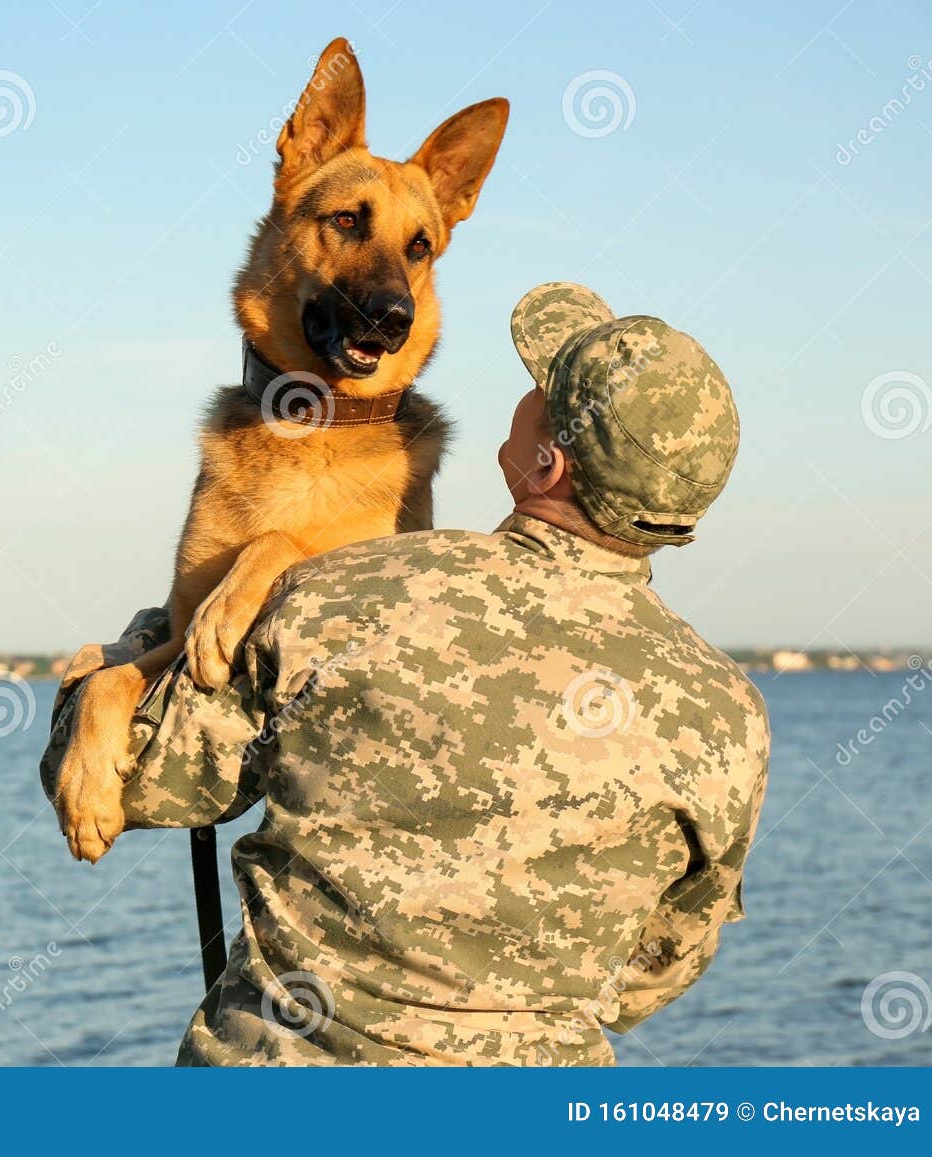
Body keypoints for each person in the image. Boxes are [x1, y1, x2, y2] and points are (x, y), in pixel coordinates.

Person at [40, 282, 770, 1066]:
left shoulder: (337, 595)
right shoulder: (728, 716)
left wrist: (147, 638)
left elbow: (144, 779)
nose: (523, 400)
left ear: (546, 463)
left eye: (539, 394)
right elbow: (655, 970)